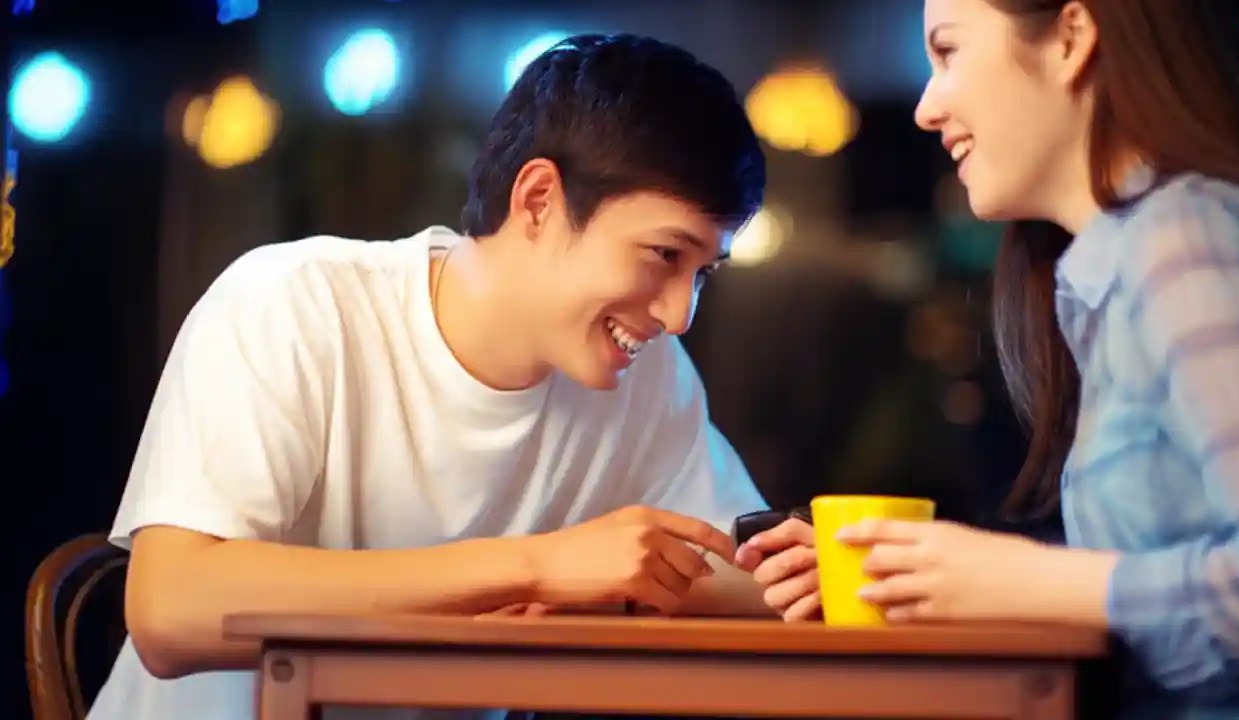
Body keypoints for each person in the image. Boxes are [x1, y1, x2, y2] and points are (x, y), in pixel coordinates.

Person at [89, 33, 770, 720]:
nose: (680, 314)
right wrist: (537, 567)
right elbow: (170, 610)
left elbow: (755, 590)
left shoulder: (649, 378)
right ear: (537, 201)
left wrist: (610, 588)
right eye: (663, 254)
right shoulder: (296, 303)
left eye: (703, 273)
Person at [737, 1, 1239, 717]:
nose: (927, 108)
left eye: (948, 51)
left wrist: (1024, 581)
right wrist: (927, 576)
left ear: (1072, 38)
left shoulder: (1186, 238)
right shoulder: (1111, 268)